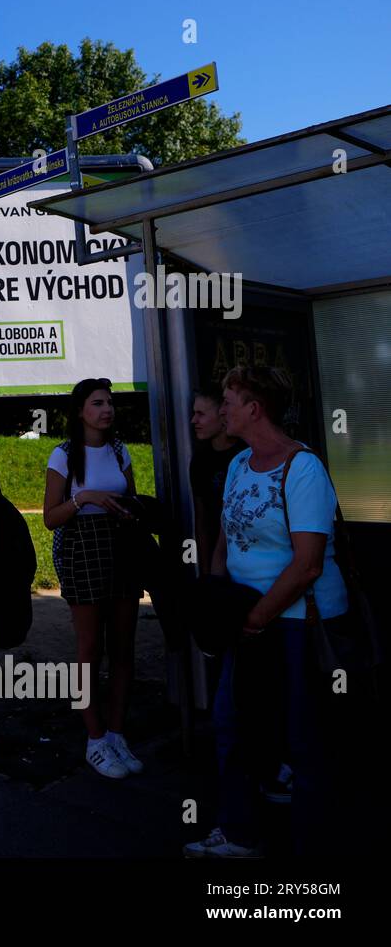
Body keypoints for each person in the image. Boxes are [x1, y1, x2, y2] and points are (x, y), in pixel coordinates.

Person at [184, 366, 349, 858]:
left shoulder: (303, 468)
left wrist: (256, 619)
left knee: (302, 736)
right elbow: (227, 537)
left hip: (297, 623)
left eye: (230, 401)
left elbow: (308, 564)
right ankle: (239, 833)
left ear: (254, 408)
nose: (224, 409)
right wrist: (219, 594)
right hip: (246, 622)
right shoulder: (238, 464)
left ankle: (309, 847)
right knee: (234, 723)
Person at [42, 378, 144, 781]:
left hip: (121, 548)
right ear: (80, 410)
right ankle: (95, 739)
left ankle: (117, 734)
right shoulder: (64, 455)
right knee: (89, 649)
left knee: (123, 648)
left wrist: (128, 510)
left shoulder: (121, 451)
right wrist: (84, 498)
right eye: (98, 402)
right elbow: (50, 518)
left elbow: (134, 501)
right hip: (83, 551)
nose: (107, 409)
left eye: (110, 402)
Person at [189, 386, 245, 569]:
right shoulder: (200, 460)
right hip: (218, 559)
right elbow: (202, 521)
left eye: (201, 414)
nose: (194, 420)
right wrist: (206, 573)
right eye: (194, 413)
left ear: (223, 415)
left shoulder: (247, 454)